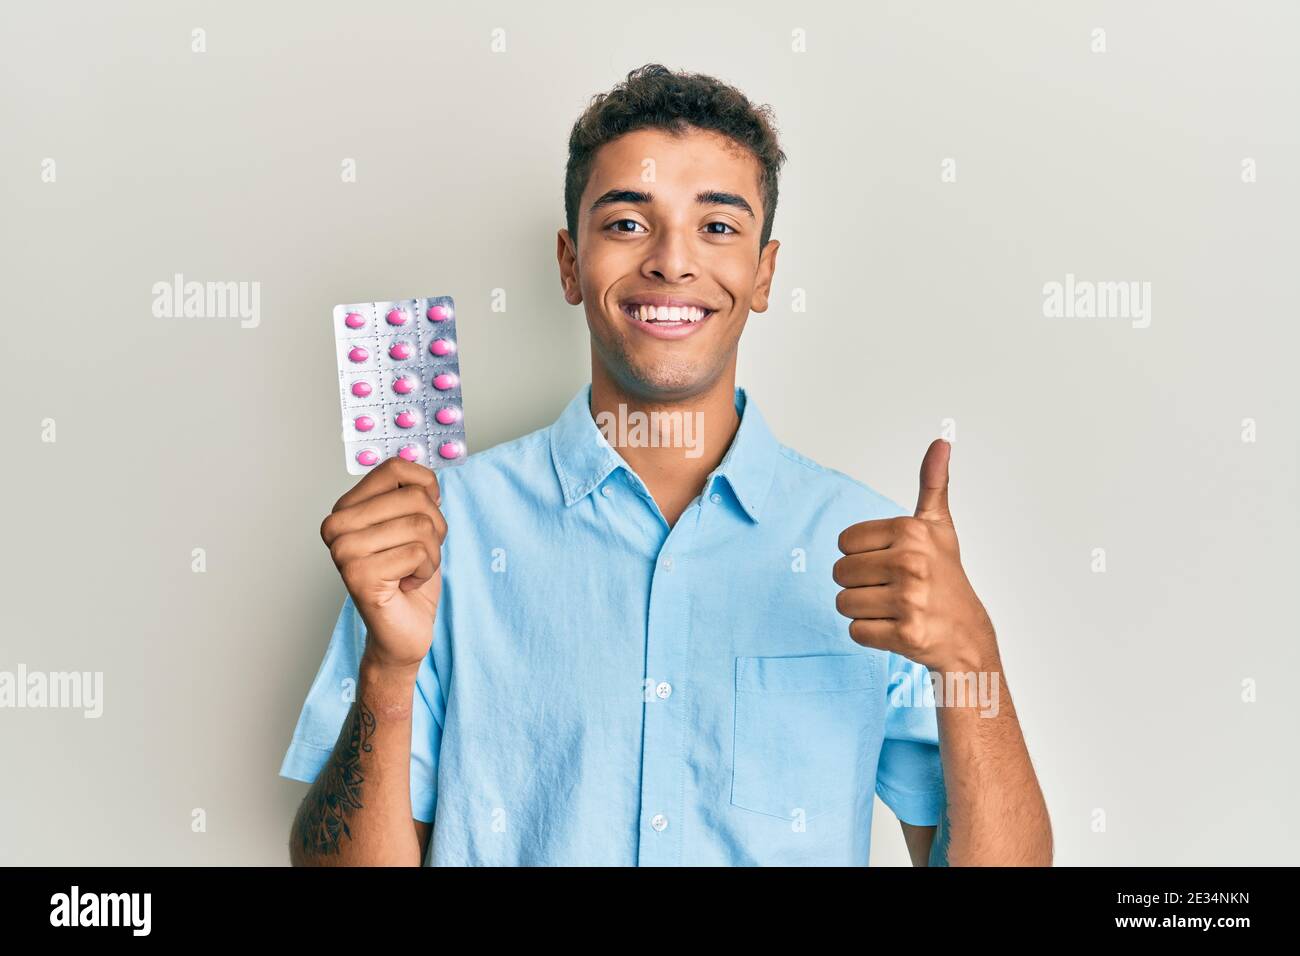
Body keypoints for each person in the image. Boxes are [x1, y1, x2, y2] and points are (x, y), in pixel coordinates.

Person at [279, 63, 1052, 866]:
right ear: (570, 264)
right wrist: (387, 669)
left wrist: (974, 660)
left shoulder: (872, 551)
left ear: (764, 272)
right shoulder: (438, 536)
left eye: (717, 227)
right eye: (625, 224)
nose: (672, 263)